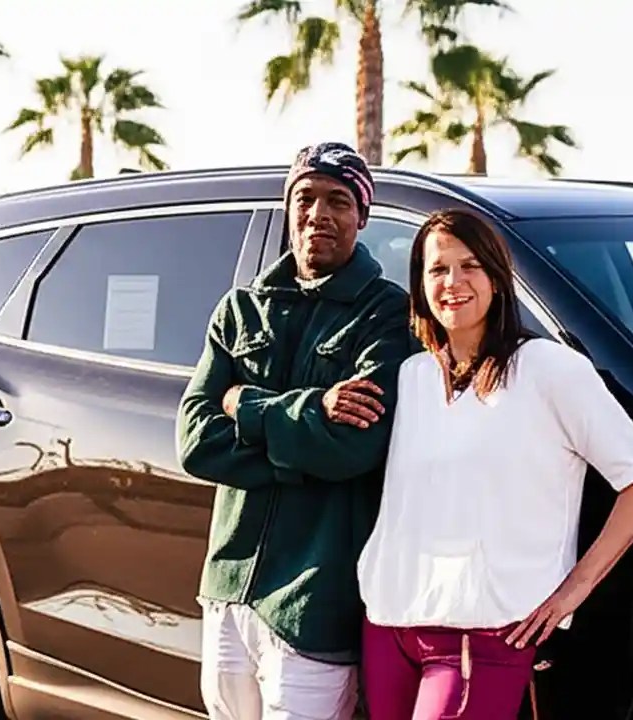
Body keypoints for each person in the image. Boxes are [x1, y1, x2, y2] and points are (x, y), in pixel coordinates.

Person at [343, 208, 633, 720]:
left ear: (497, 277)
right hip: (389, 625)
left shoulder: (549, 369)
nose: (453, 282)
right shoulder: (412, 376)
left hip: (484, 636)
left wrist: (572, 592)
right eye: (437, 269)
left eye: (470, 266)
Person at [176, 141, 415, 719]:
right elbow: (195, 441)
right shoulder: (240, 310)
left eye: (338, 201)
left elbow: (352, 447)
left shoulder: (385, 315)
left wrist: (245, 405)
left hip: (313, 600)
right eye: (305, 198)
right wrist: (307, 421)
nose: (319, 214)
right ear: (288, 207)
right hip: (228, 585)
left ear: (363, 216)